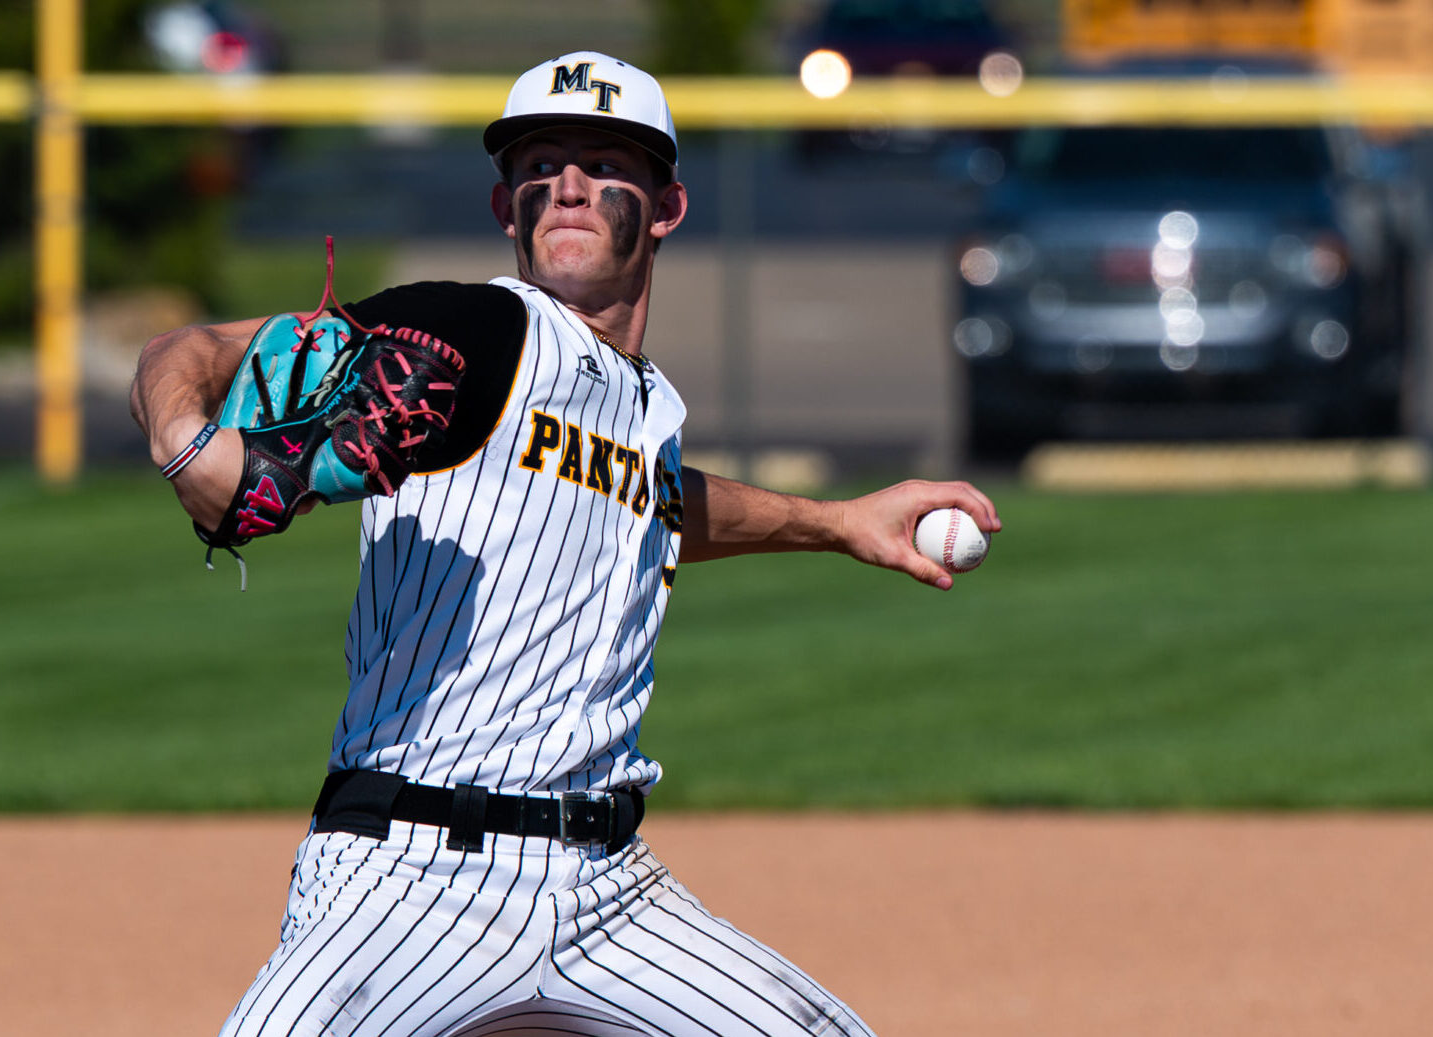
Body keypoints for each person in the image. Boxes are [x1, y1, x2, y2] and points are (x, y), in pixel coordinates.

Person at [131, 50, 1000, 1037]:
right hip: (408, 880)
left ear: (667, 206)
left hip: (606, 892)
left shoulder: (640, 401)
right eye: (541, 163)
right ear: (508, 206)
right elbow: (183, 352)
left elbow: (643, 504)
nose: (569, 184)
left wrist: (836, 523)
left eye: (603, 161)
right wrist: (183, 441)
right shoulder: (473, 329)